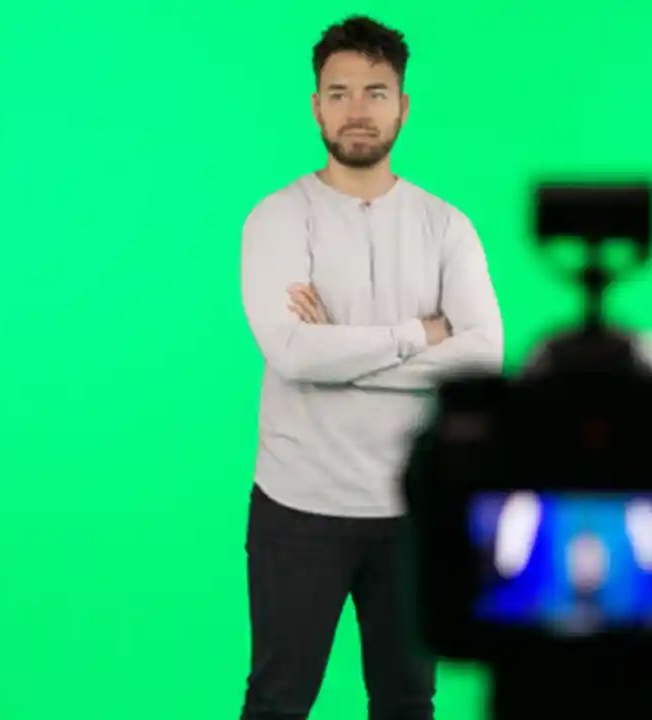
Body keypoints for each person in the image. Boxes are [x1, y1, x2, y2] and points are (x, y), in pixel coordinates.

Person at [237, 14, 504, 720]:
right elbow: (291, 353)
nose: (358, 111)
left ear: (403, 106)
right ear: (316, 104)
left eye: (376, 92)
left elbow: (483, 356)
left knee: (408, 700)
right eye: (340, 92)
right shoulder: (277, 219)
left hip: (413, 509)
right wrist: (419, 334)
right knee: (277, 700)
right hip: (300, 507)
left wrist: (342, 353)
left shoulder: (446, 226)